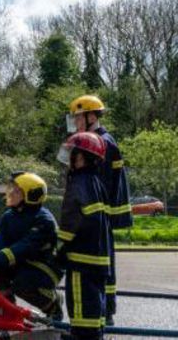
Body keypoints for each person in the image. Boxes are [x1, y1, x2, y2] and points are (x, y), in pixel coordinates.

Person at [0, 172, 63, 320]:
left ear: (31, 196)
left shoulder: (43, 221)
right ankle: (7, 308)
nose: (11, 193)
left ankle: (53, 304)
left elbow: (24, 248)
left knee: (22, 283)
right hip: (21, 263)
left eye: (16, 191)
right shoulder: (9, 216)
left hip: (46, 268)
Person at [68, 94, 131, 324]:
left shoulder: (102, 143)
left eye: (78, 118)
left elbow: (101, 185)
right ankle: (104, 311)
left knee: (99, 265)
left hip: (96, 216)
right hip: (95, 215)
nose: (75, 123)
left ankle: (105, 312)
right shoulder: (92, 141)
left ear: (92, 116)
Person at [56, 131, 112, 339]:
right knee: (95, 312)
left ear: (81, 157)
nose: (69, 158)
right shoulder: (96, 183)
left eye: (72, 153)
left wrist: (61, 247)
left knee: (80, 313)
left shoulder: (77, 184)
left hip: (81, 261)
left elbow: (71, 219)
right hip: (99, 261)